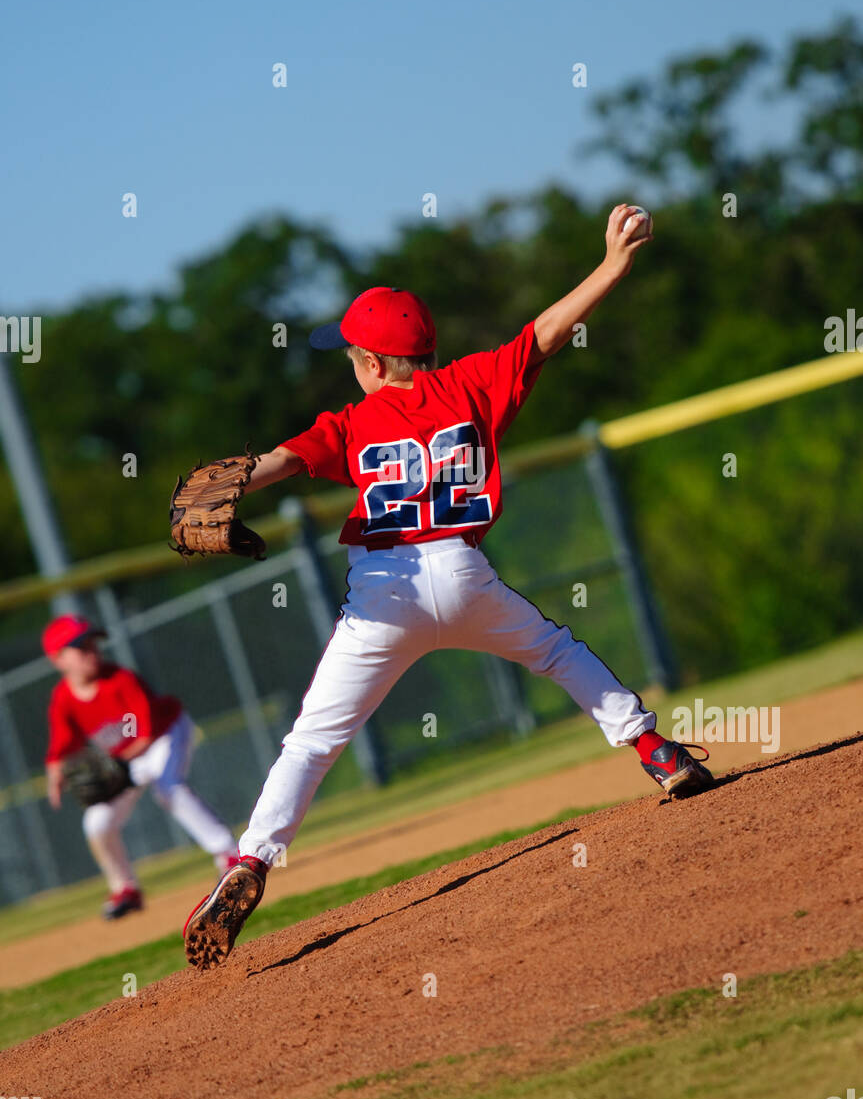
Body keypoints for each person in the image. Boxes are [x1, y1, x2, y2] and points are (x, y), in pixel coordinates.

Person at [183, 204, 713, 969]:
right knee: (558, 654)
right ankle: (654, 750)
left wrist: (231, 487)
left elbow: (284, 462)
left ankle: (250, 863)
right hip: (465, 575)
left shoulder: (351, 420)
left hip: (383, 595)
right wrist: (611, 265)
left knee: (313, 741)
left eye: (350, 353)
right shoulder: (471, 385)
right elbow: (546, 333)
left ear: (369, 363)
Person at [43, 615, 238, 919]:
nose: (92, 652)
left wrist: (119, 766)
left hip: (165, 734)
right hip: (125, 759)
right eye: (81, 648)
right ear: (58, 659)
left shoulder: (121, 679)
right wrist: (55, 777)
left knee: (168, 789)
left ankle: (228, 855)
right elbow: (61, 746)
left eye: (93, 644)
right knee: (96, 823)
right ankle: (125, 889)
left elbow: (144, 733)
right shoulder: (63, 699)